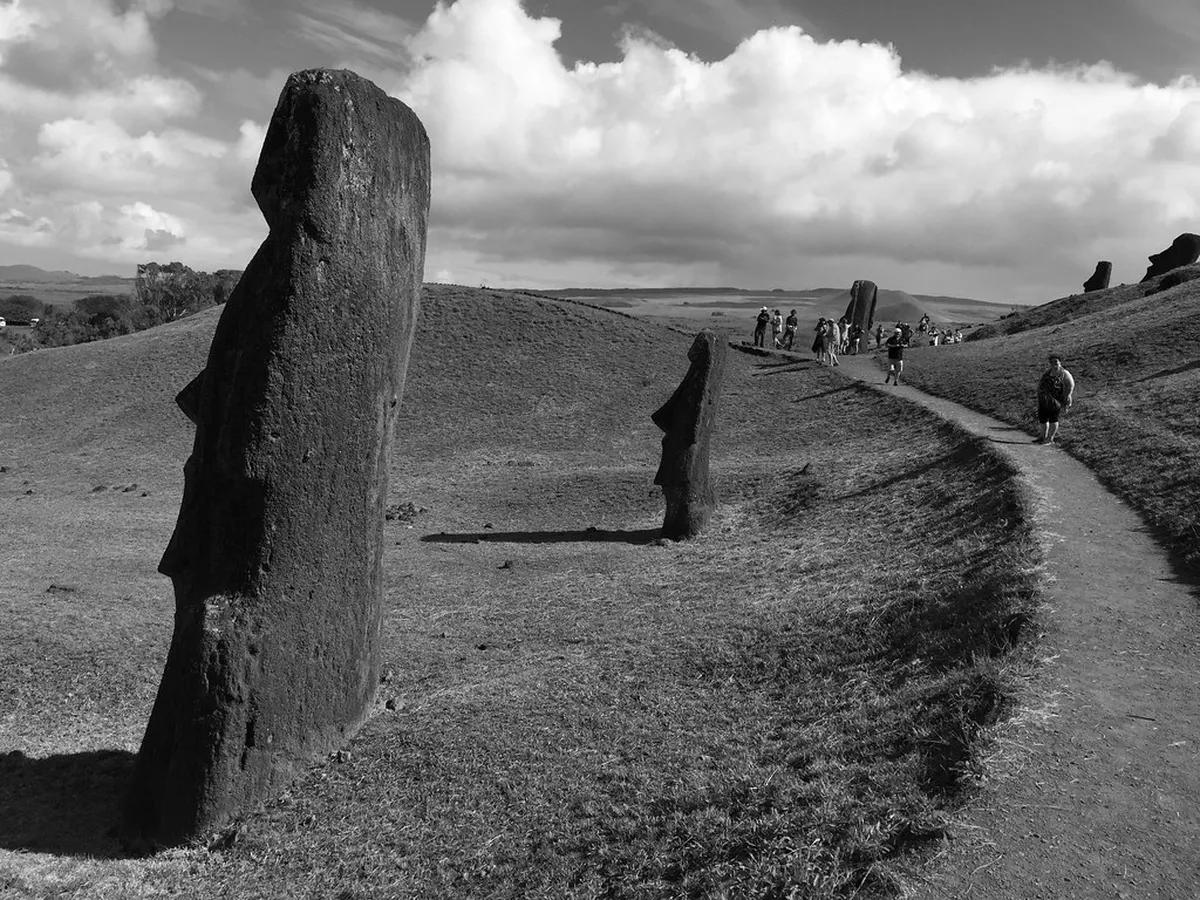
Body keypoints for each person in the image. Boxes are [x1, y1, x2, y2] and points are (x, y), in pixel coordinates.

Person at [1035, 354, 1075, 444]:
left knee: (1053, 419)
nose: (1054, 364)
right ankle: (1042, 437)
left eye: (1056, 361)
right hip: (1044, 400)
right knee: (1043, 419)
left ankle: (1050, 439)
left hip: (1056, 400)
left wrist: (1067, 398)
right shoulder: (1048, 372)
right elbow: (1041, 383)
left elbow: (1071, 385)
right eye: (1052, 362)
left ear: (1060, 362)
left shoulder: (1064, 373)